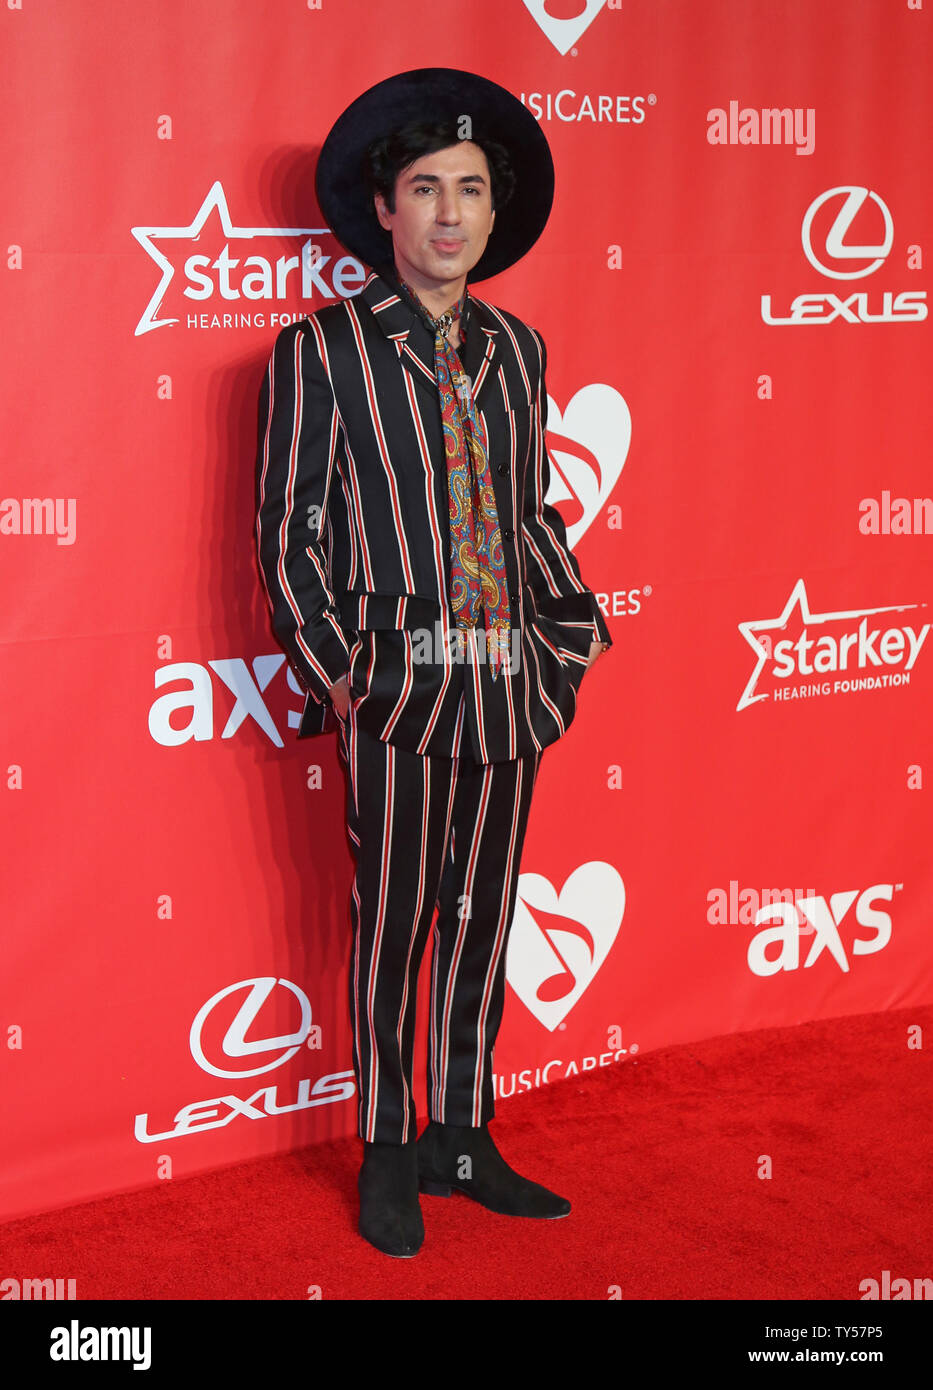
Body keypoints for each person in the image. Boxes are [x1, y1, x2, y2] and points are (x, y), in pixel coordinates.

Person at [255, 67, 612, 1258]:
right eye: (426, 189)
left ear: (493, 215)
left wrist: (566, 638)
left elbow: (532, 511)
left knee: (484, 912)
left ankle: (466, 1132)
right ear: (386, 207)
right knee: (395, 918)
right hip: (398, 683)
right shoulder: (321, 351)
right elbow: (288, 526)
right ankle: (390, 1146)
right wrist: (341, 668)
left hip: (510, 675)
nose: (450, 213)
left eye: (470, 191)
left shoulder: (520, 350)